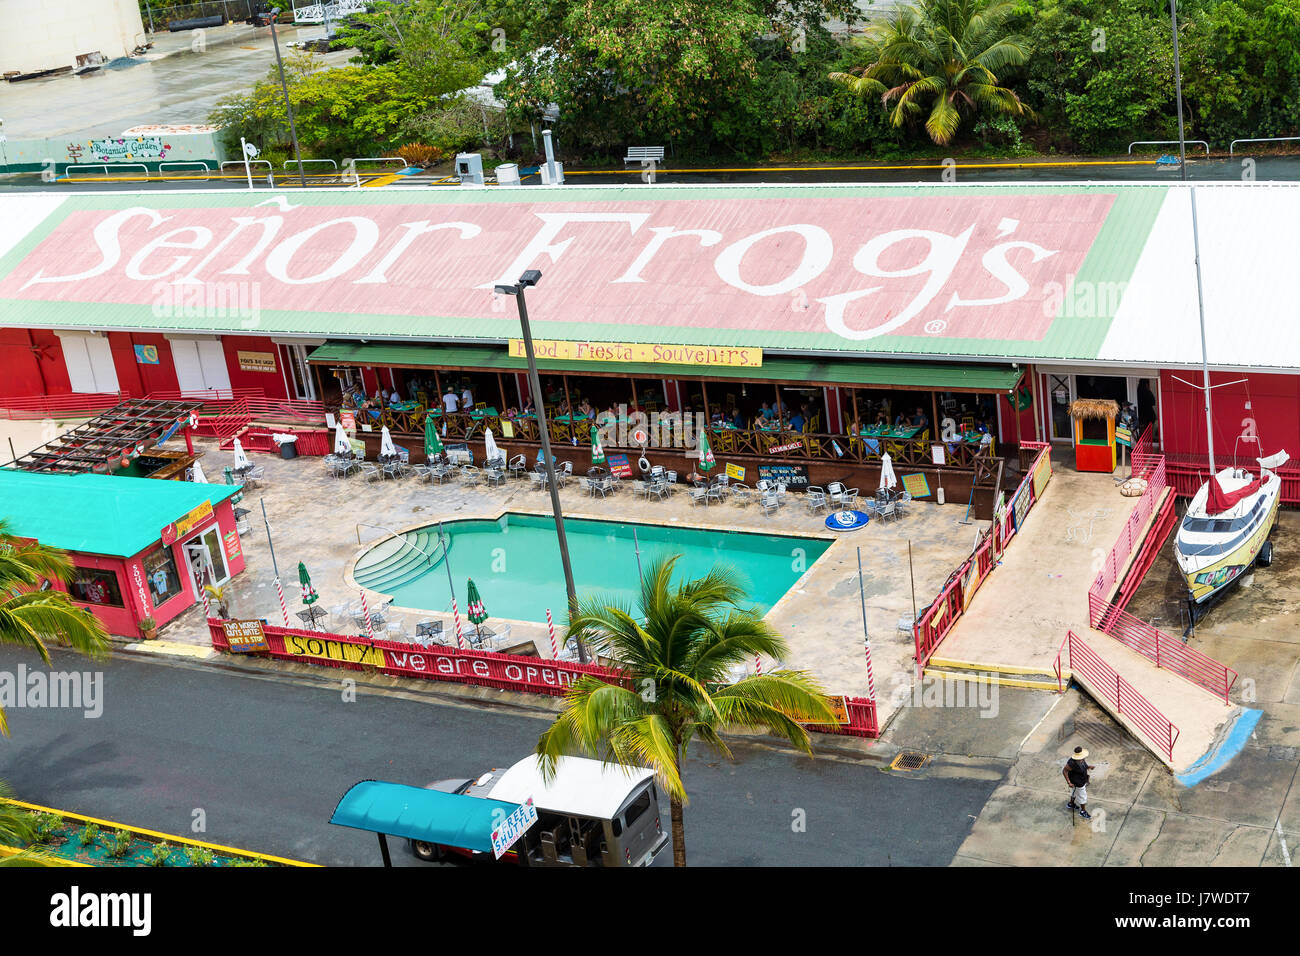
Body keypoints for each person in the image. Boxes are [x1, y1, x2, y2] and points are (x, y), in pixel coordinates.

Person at [1063, 746, 1094, 820]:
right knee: (1083, 797)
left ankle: (1071, 804)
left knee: (1074, 793)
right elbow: (1064, 771)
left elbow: (1084, 766)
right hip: (1077, 782)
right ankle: (1083, 811)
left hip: (1081, 779)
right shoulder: (1072, 763)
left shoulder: (1082, 759)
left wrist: (1088, 767)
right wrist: (1069, 782)